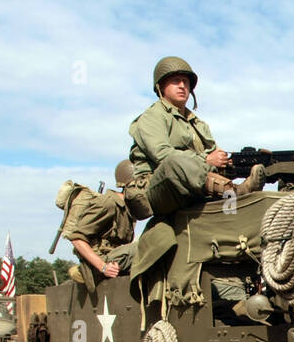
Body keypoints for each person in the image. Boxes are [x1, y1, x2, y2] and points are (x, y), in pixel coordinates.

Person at [126, 57, 265, 220]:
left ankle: (243, 192)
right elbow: (162, 155)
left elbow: (214, 155)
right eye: (176, 81)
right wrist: (206, 160)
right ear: (161, 86)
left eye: (185, 82)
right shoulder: (152, 117)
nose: (182, 86)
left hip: (191, 188)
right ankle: (234, 192)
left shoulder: (197, 123)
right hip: (156, 188)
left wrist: (235, 162)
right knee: (174, 162)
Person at [64, 159, 150, 285]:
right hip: (100, 264)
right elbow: (77, 238)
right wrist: (103, 267)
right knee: (146, 246)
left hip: (115, 260)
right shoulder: (108, 203)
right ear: (132, 185)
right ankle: (80, 272)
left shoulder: (128, 208)